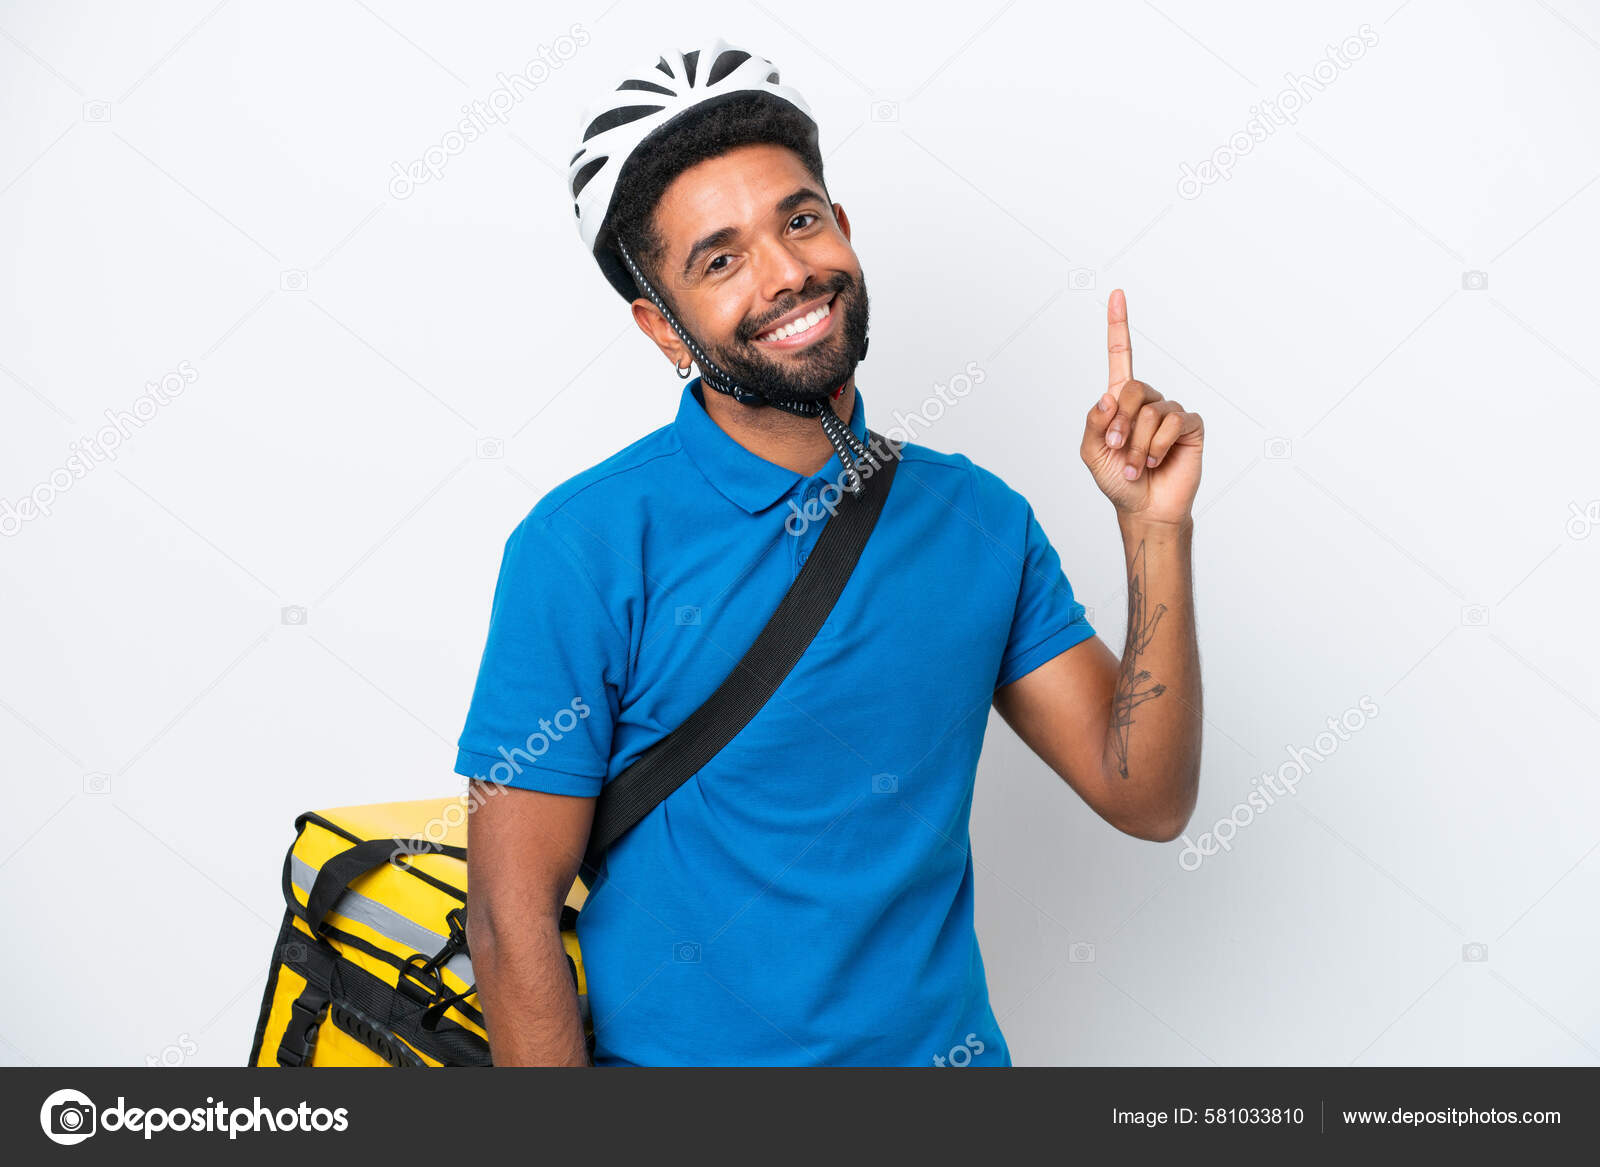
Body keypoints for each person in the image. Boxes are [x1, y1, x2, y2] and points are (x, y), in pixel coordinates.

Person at [456, 38, 1205, 1067]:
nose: (788, 273)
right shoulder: (582, 546)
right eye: (719, 259)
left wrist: (1153, 529)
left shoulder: (979, 520)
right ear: (662, 328)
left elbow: (1146, 797)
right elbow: (508, 920)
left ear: (841, 229)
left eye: (798, 219)